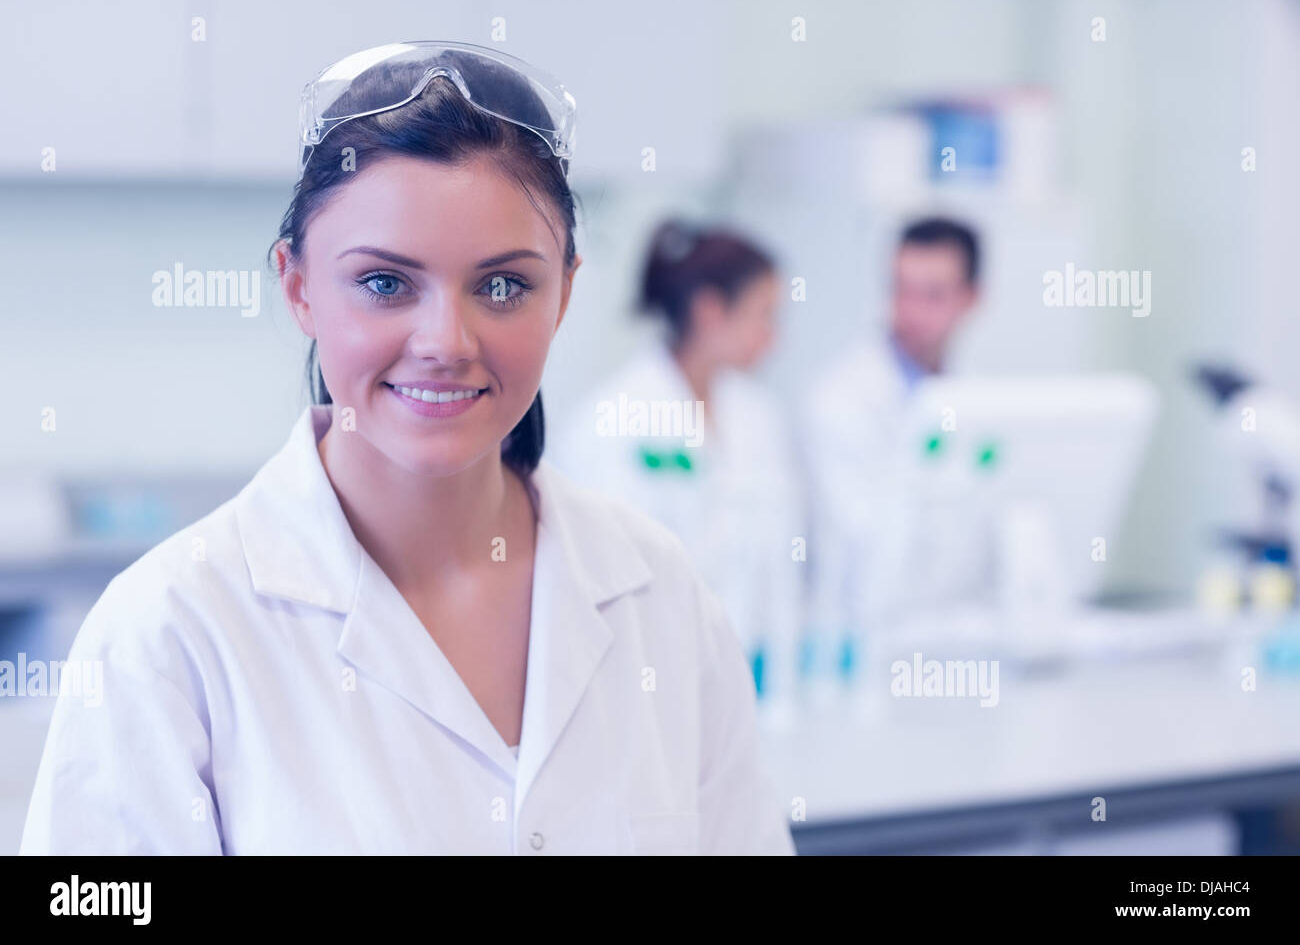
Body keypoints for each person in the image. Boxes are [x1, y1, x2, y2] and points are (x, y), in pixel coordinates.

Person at [20, 42, 794, 856]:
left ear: (563, 293)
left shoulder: (657, 594)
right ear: (299, 289)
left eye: (502, 286)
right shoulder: (170, 632)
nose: (445, 342)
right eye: (386, 283)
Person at [551, 220, 805, 712]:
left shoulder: (760, 415)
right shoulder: (610, 421)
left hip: (751, 683)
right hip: (640, 690)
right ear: (710, 312)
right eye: (763, 315)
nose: (772, 338)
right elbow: (605, 582)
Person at [803, 216, 982, 637]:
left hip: (953, 635)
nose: (911, 311)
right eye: (901, 290)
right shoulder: (840, 400)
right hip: (865, 638)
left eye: (933, 295)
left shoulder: (969, 399)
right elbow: (864, 553)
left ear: (972, 298)